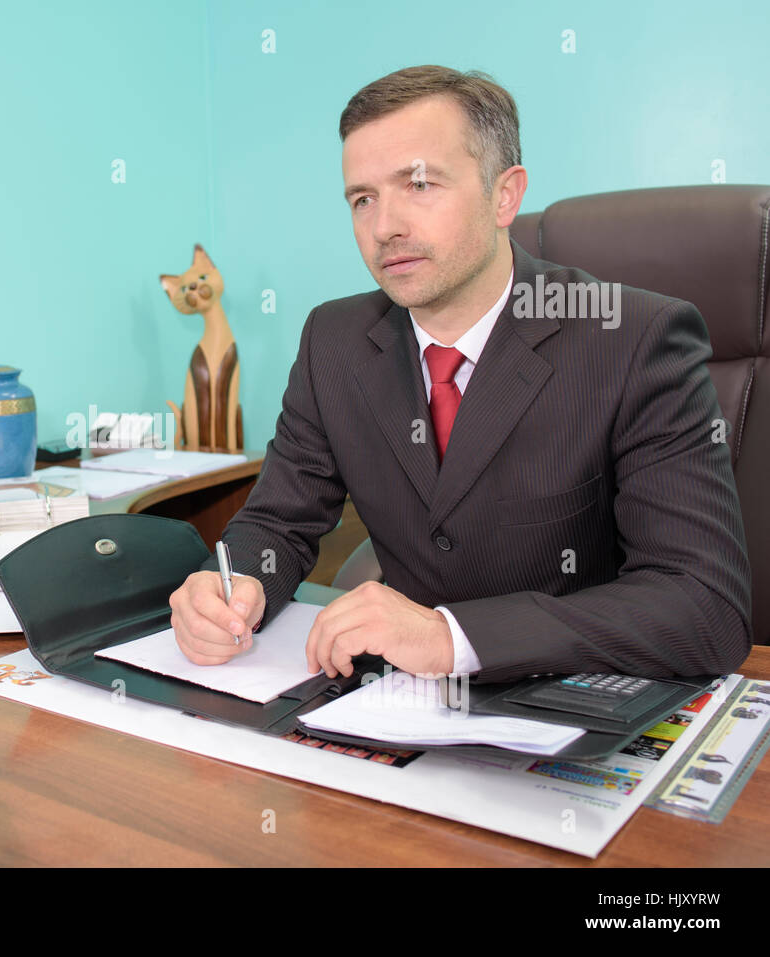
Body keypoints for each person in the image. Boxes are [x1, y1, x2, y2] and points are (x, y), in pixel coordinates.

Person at [168, 66, 752, 684]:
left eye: (419, 184)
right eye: (362, 198)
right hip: (399, 708)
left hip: (569, 696)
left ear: (505, 195)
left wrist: (454, 638)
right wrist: (230, 585)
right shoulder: (332, 341)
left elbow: (703, 607)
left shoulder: (633, 338)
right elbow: (280, 522)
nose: (384, 225)